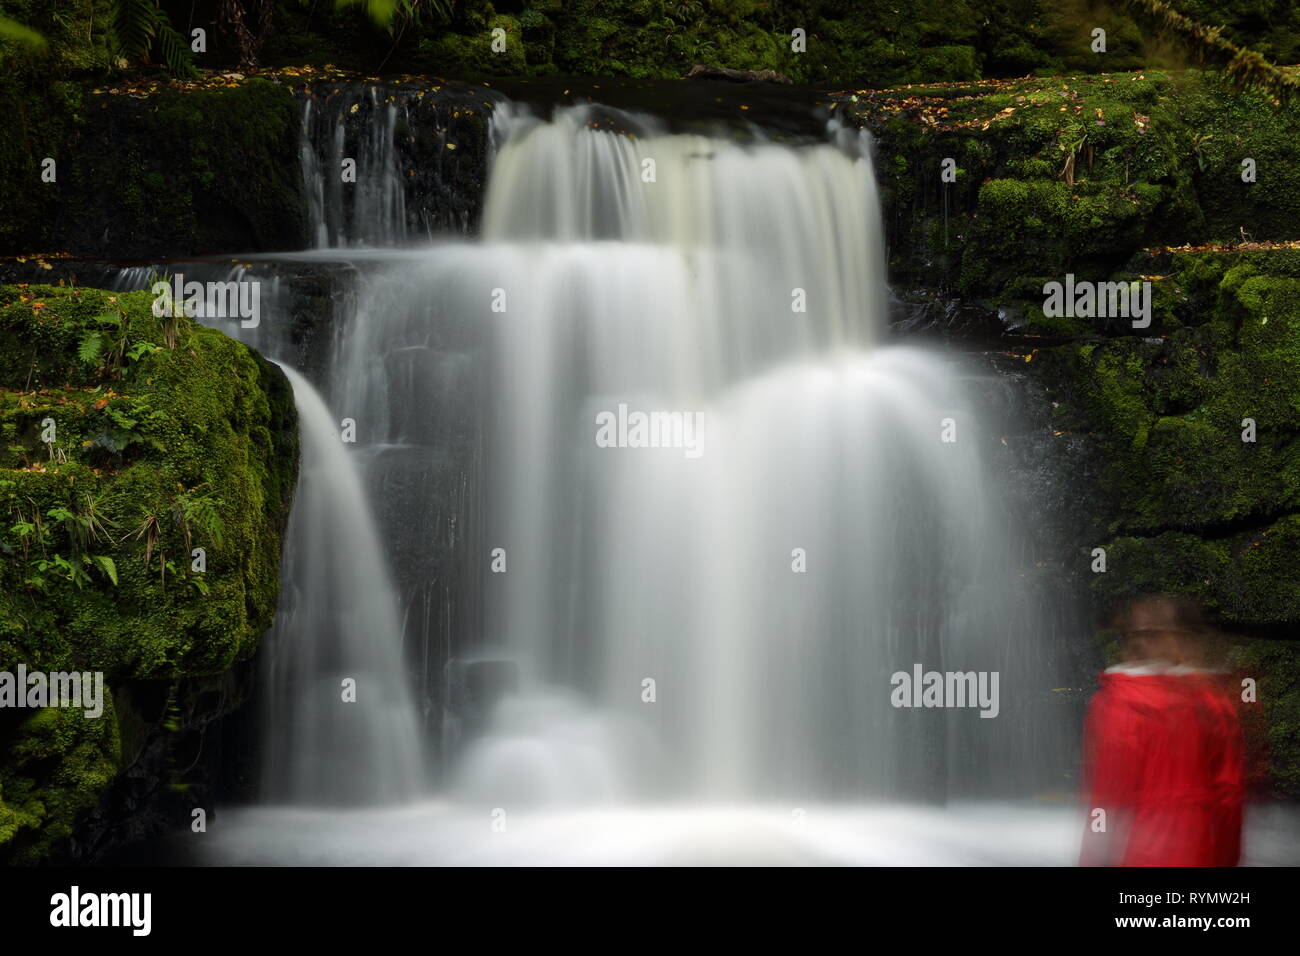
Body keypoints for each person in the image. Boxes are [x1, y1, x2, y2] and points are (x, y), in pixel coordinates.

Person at [1079, 595, 1244, 866]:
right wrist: (1227, 857)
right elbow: (1229, 796)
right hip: (1198, 851)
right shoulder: (1214, 703)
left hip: (1135, 854)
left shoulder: (1112, 703)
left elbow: (1106, 801)